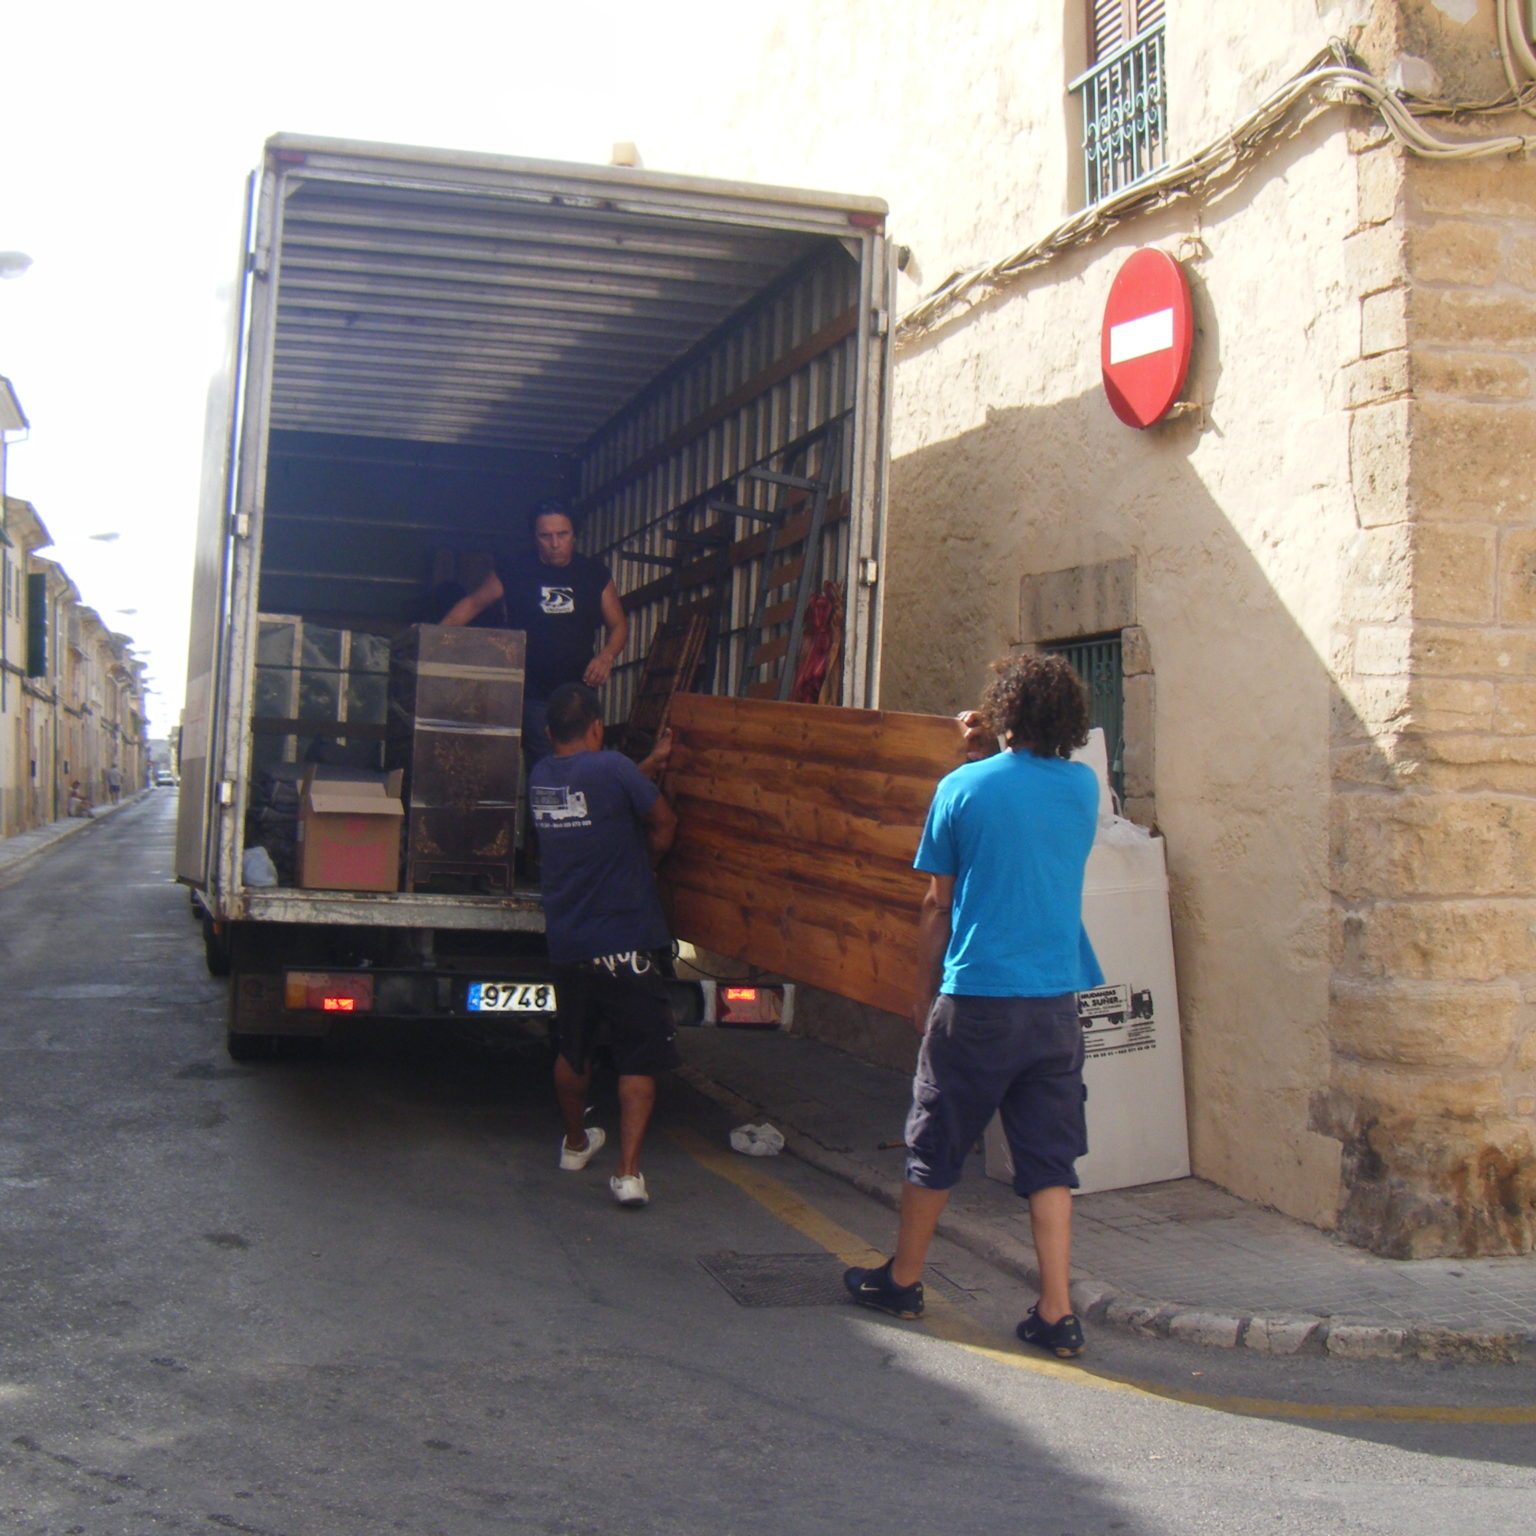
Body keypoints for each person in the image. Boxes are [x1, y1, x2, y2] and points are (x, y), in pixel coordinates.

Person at [843, 652, 1104, 1359]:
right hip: (1055, 1000)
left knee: (935, 1147)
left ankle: (903, 1279)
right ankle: (1057, 1311)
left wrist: (922, 993)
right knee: (1050, 1164)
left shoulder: (961, 787)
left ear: (1003, 712)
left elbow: (940, 902)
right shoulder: (1085, 790)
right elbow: (1026, 801)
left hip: (979, 996)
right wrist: (990, 750)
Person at [528, 682, 677, 1209]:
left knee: (574, 1047)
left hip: (569, 942)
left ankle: (574, 1144)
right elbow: (662, 820)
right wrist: (651, 864)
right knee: (638, 1055)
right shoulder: (612, 767)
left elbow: (597, 793)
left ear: (548, 735)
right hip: (626, 940)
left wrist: (651, 762)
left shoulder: (542, 778)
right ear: (597, 727)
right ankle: (628, 1174)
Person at [441, 502, 629, 766]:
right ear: (534, 537)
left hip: (580, 692)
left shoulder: (594, 573)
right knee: (545, 765)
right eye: (546, 536)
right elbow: (474, 603)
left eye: (562, 535)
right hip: (533, 693)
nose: (555, 543)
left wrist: (606, 657)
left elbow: (619, 625)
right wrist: (435, 639)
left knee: (585, 768)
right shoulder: (515, 569)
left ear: (574, 534)